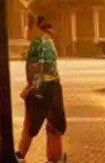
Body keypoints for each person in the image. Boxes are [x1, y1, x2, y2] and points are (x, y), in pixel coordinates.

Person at [18, 15, 67, 163]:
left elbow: (41, 67)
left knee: (31, 125)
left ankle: (20, 156)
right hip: (51, 87)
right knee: (54, 126)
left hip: (43, 89)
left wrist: (32, 88)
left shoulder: (39, 43)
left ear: (36, 27)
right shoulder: (48, 42)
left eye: (27, 26)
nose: (25, 30)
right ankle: (54, 158)